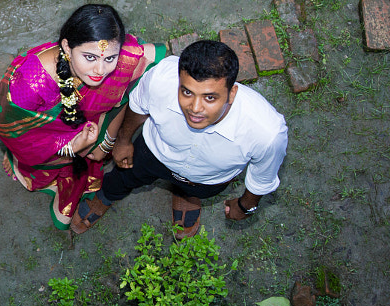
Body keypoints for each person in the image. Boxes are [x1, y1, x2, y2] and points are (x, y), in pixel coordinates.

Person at [81, 39, 288, 240]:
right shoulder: (162, 78)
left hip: (207, 179)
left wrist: (245, 206)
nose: (195, 108)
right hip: (154, 152)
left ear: (232, 93)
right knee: (125, 176)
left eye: (210, 97)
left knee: (195, 190)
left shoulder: (267, 133)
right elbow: (138, 105)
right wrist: (123, 141)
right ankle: (107, 195)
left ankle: (186, 196)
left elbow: (262, 178)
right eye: (187, 92)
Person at [0, 4, 166, 233]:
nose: (100, 70)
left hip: (93, 129)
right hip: (53, 143)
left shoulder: (122, 59)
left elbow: (123, 96)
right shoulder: (30, 84)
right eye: (89, 57)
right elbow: (19, 136)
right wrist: (73, 148)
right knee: (34, 167)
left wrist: (107, 142)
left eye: (110, 58)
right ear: (67, 46)